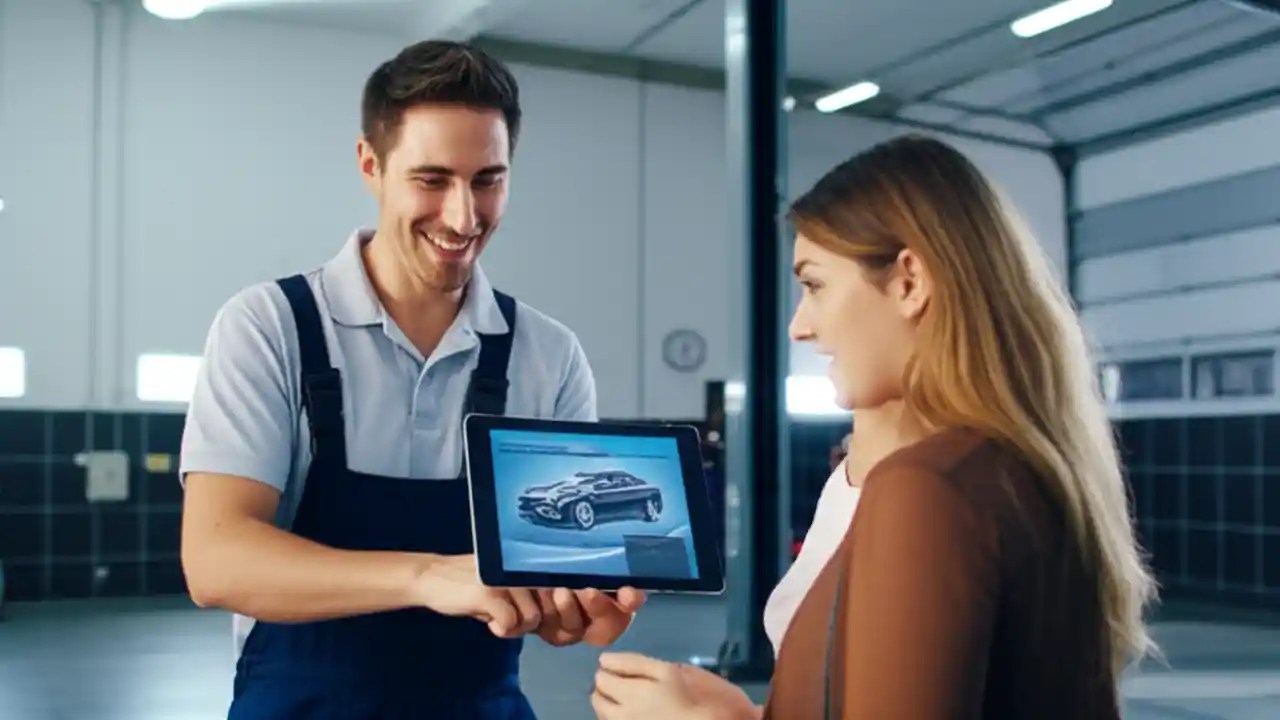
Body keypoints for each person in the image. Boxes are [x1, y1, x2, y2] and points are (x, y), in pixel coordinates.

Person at [587, 134, 1158, 719]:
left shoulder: (930, 488)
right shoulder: (1002, 469)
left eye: (814, 285)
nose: (799, 327)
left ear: (909, 282)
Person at [178, 39, 644, 719]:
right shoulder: (268, 327)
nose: (463, 217)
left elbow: (570, 602)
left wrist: (589, 609)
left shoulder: (548, 356)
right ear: (370, 164)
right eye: (432, 180)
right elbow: (217, 561)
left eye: (488, 179)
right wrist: (429, 577)